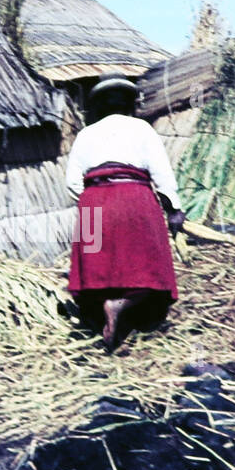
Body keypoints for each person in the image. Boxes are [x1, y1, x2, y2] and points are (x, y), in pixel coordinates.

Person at [65, 74, 186, 349]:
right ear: (131, 103)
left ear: (98, 105)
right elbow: (161, 173)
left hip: (92, 201)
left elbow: (72, 183)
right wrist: (174, 208)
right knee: (150, 266)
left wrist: (92, 202)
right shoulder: (142, 129)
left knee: (94, 265)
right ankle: (121, 303)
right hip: (135, 198)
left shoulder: (86, 134)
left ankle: (100, 320)